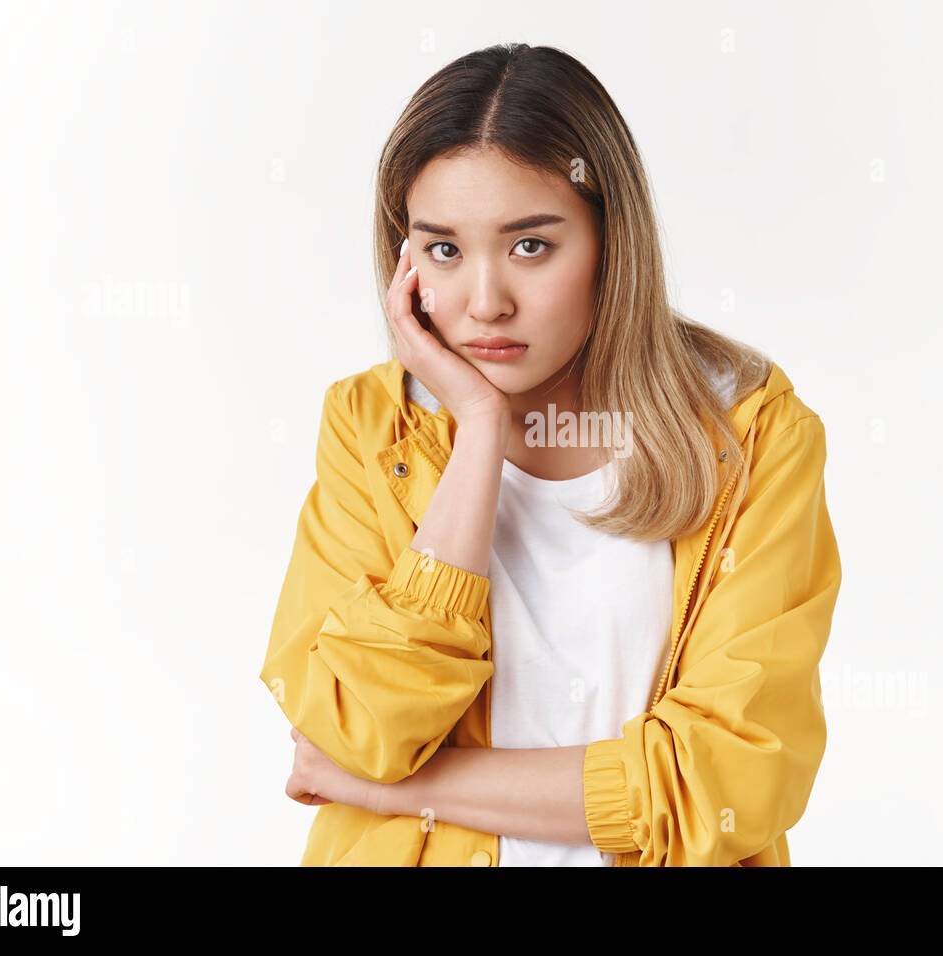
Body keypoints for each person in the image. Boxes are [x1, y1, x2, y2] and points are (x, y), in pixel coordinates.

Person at [258, 42, 842, 866]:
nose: (486, 302)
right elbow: (357, 721)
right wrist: (479, 434)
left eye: (531, 245)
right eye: (444, 250)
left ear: (612, 240)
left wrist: (399, 788)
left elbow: (727, 782)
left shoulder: (749, 434)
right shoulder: (371, 427)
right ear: (405, 261)